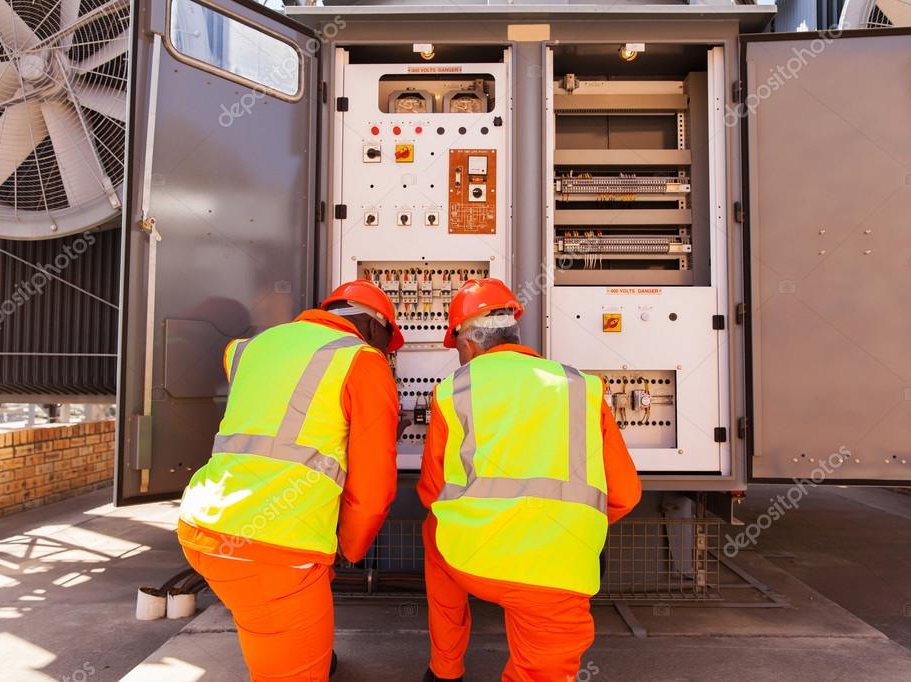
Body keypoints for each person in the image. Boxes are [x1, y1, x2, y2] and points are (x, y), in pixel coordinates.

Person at [177, 279, 405, 681]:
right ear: (372, 327)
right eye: (389, 344)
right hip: (272, 553)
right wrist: (346, 550)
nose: (387, 355)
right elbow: (373, 489)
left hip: (203, 525)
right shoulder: (363, 361)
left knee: (264, 627)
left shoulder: (249, 348)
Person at [417, 278, 642, 682]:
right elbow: (625, 493)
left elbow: (432, 492)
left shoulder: (451, 392)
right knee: (544, 670)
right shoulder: (584, 388)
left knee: (435, 531)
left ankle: (444, 670)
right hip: (556, 568)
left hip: (472, 558)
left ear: (467, 345)